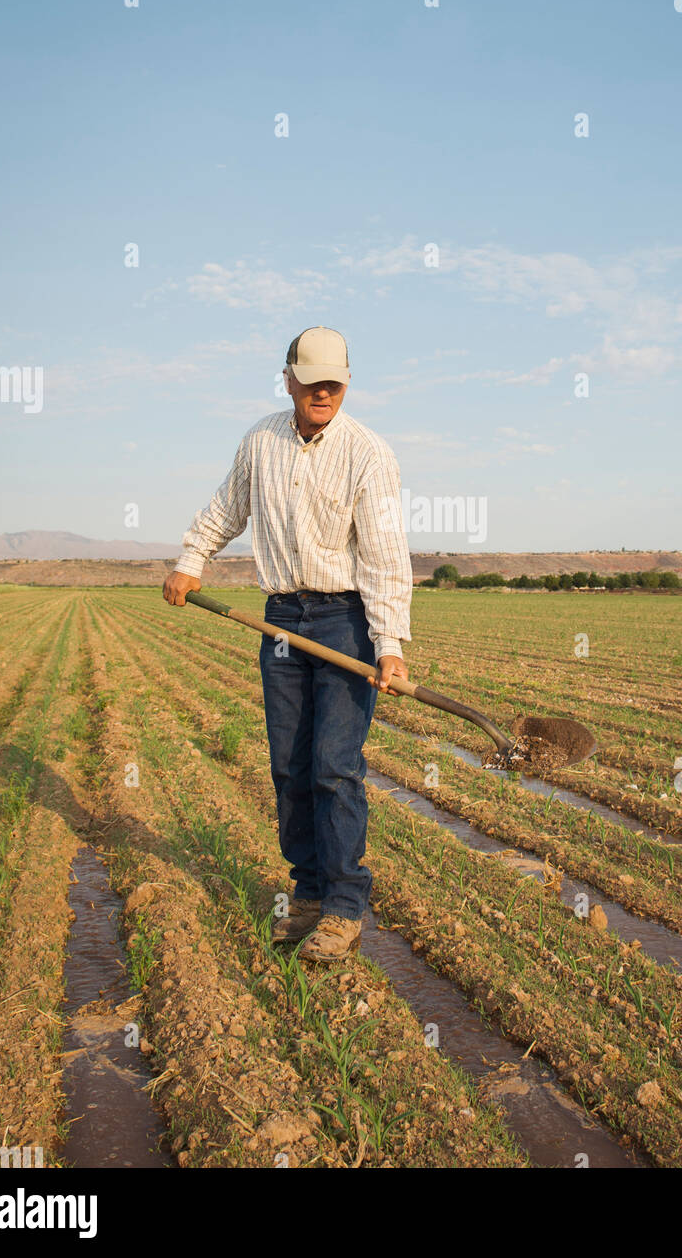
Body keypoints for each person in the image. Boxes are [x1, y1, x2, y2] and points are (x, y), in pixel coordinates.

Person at [162, 326, 412, 962]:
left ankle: (344, 906)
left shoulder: (368, 453)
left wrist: (389, 643)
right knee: (289, 768)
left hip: (343, 620)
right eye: (312, 380)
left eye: (335, 381)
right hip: (280, 619)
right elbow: (227, 507)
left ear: (346, 383)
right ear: (290, 379)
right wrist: (193, 559)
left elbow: (384, 555)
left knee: (334, 766)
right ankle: (306, 896)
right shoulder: (262, 441)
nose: (324, 390)